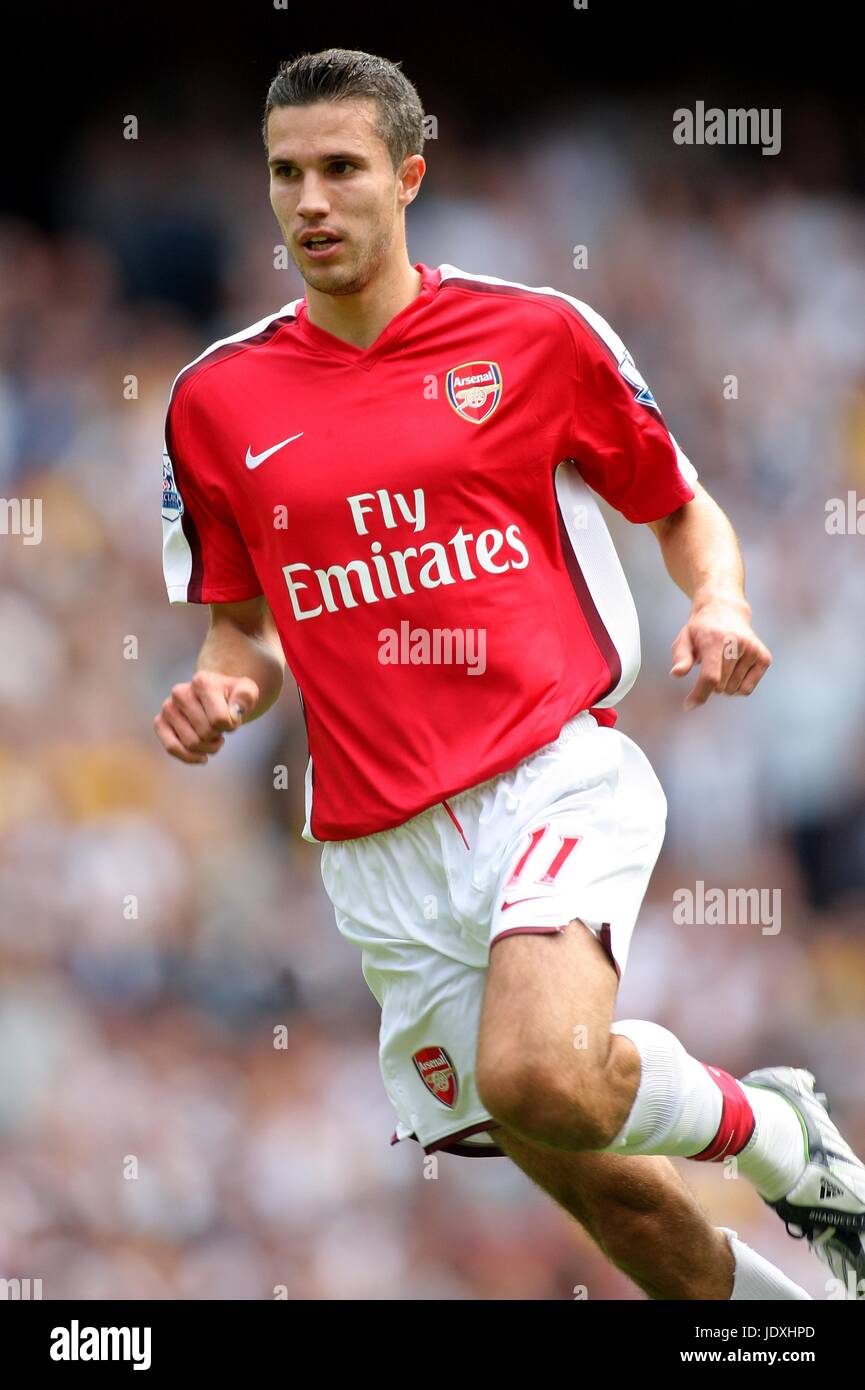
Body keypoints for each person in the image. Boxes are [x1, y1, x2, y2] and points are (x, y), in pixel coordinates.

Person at [155, 47, 865, 1300]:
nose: (309, 201)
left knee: (540, 1071)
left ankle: (781, 1134)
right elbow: (241, 624)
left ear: (408, 175)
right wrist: (225, 686)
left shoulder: (531, 334)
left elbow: (679, 505)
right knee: (579, 1154)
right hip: (377, 848)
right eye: (284, 174)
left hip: (549, 769)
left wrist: (722, 601)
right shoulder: (216, 399)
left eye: (340, 169)